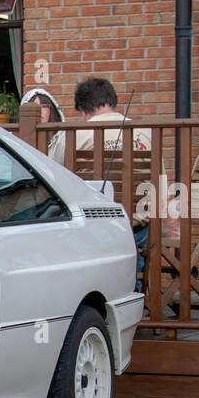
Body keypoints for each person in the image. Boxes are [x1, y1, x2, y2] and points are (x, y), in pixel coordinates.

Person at [74, 77, 151, 291]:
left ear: (83, 110)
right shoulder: (146, 133)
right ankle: (131, 288)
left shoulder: (72, 134)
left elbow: (52, 175)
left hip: (88, 228)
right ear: (112, 101)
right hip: (135, 227)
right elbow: (159, 186)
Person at [20, 87, 66, 164]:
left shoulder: (62, 139)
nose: (39, 110)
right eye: (34, 106)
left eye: (44, 106)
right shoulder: (17, 138)